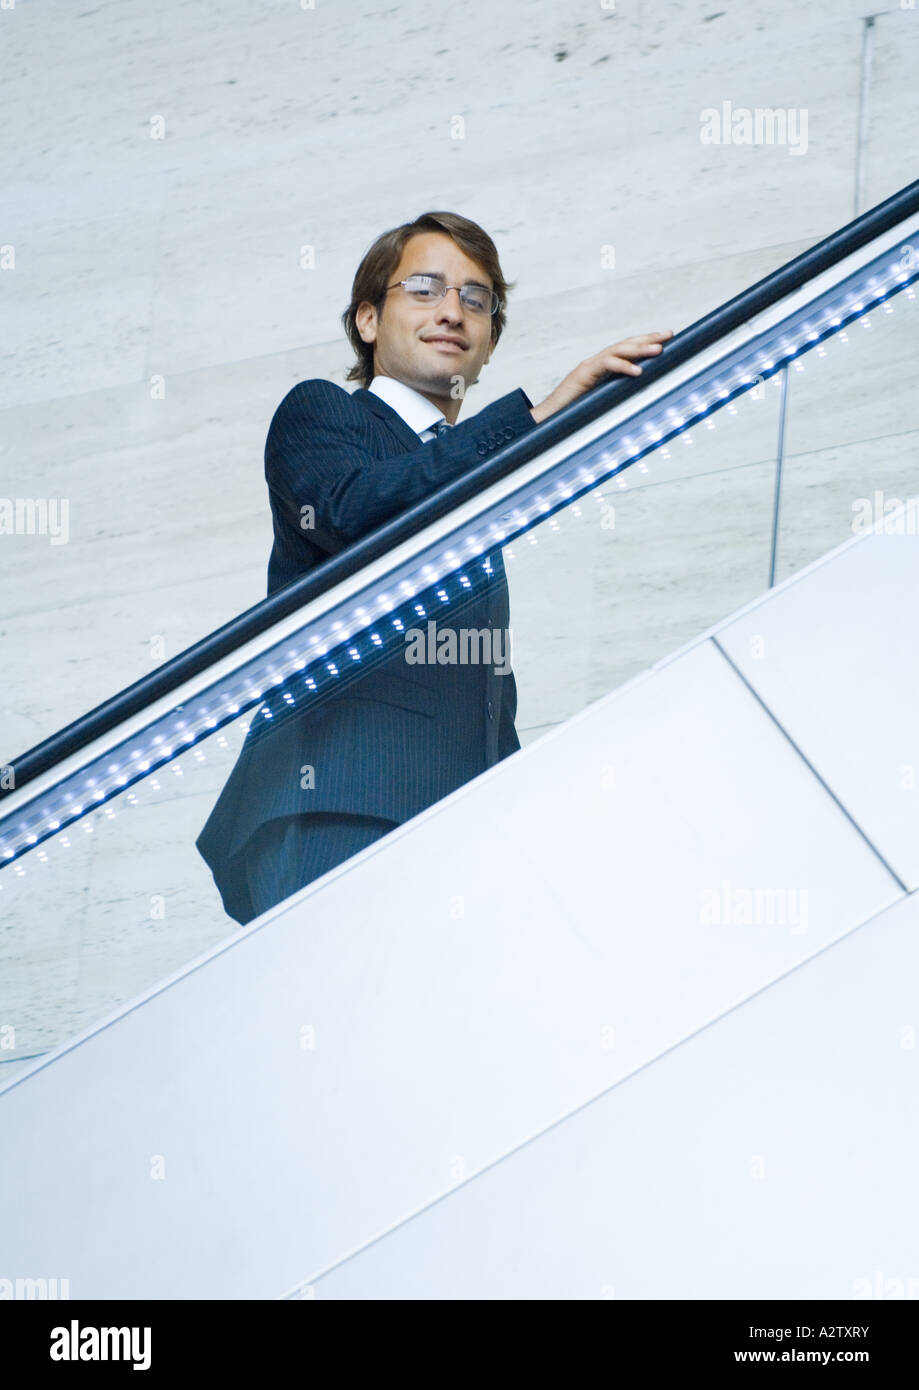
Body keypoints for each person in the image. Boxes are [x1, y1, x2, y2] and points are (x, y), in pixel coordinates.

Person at [196, 210, 671, 923]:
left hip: (463, 833)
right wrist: (536, 420)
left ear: (484, 349)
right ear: (366, 320)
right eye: (424, 289)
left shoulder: (468, 487)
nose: (453, 310)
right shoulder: (325, 412)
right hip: (338, 805)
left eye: (477, 301)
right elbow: (352, 512)